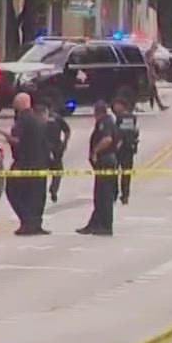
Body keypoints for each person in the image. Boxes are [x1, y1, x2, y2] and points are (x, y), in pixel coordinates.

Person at [8, 93, 51, 236]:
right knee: (37, 195)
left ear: (21, 103)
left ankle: (27, 222)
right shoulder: (38, 119)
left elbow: (18, 141)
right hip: (40, 162)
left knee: (14, 191)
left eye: (15, 102)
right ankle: (36, 224)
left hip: (25, 163)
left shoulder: (23, 119)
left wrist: (5, 136)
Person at [79, 101, 120, 236]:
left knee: (105, 196)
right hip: (108, 159)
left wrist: (95, 151)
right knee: (99, 195)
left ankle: (105, 226)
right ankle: (95, 224)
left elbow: (107, 139)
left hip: (106, 160)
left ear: (99, 112)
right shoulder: (108, 121)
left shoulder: (105, 123)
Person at [110, 94, 141, 204]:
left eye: (117, 105)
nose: (114, 108)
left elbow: (123, 133)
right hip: (128, 148)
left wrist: (116, 144)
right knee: (124, 173)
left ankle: (117, 194)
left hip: (123, 148)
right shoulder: (130, 117)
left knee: (118, 172)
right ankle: (124, 195)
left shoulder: (125, 118)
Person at [45, 98, 73, 204]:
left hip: (46, 148)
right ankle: (54, 190)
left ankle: (47, 191)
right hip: (56, 147)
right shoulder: (57, 118)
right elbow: (67, 130)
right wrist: (65, 143)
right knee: (57, 172)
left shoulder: (39, 118)